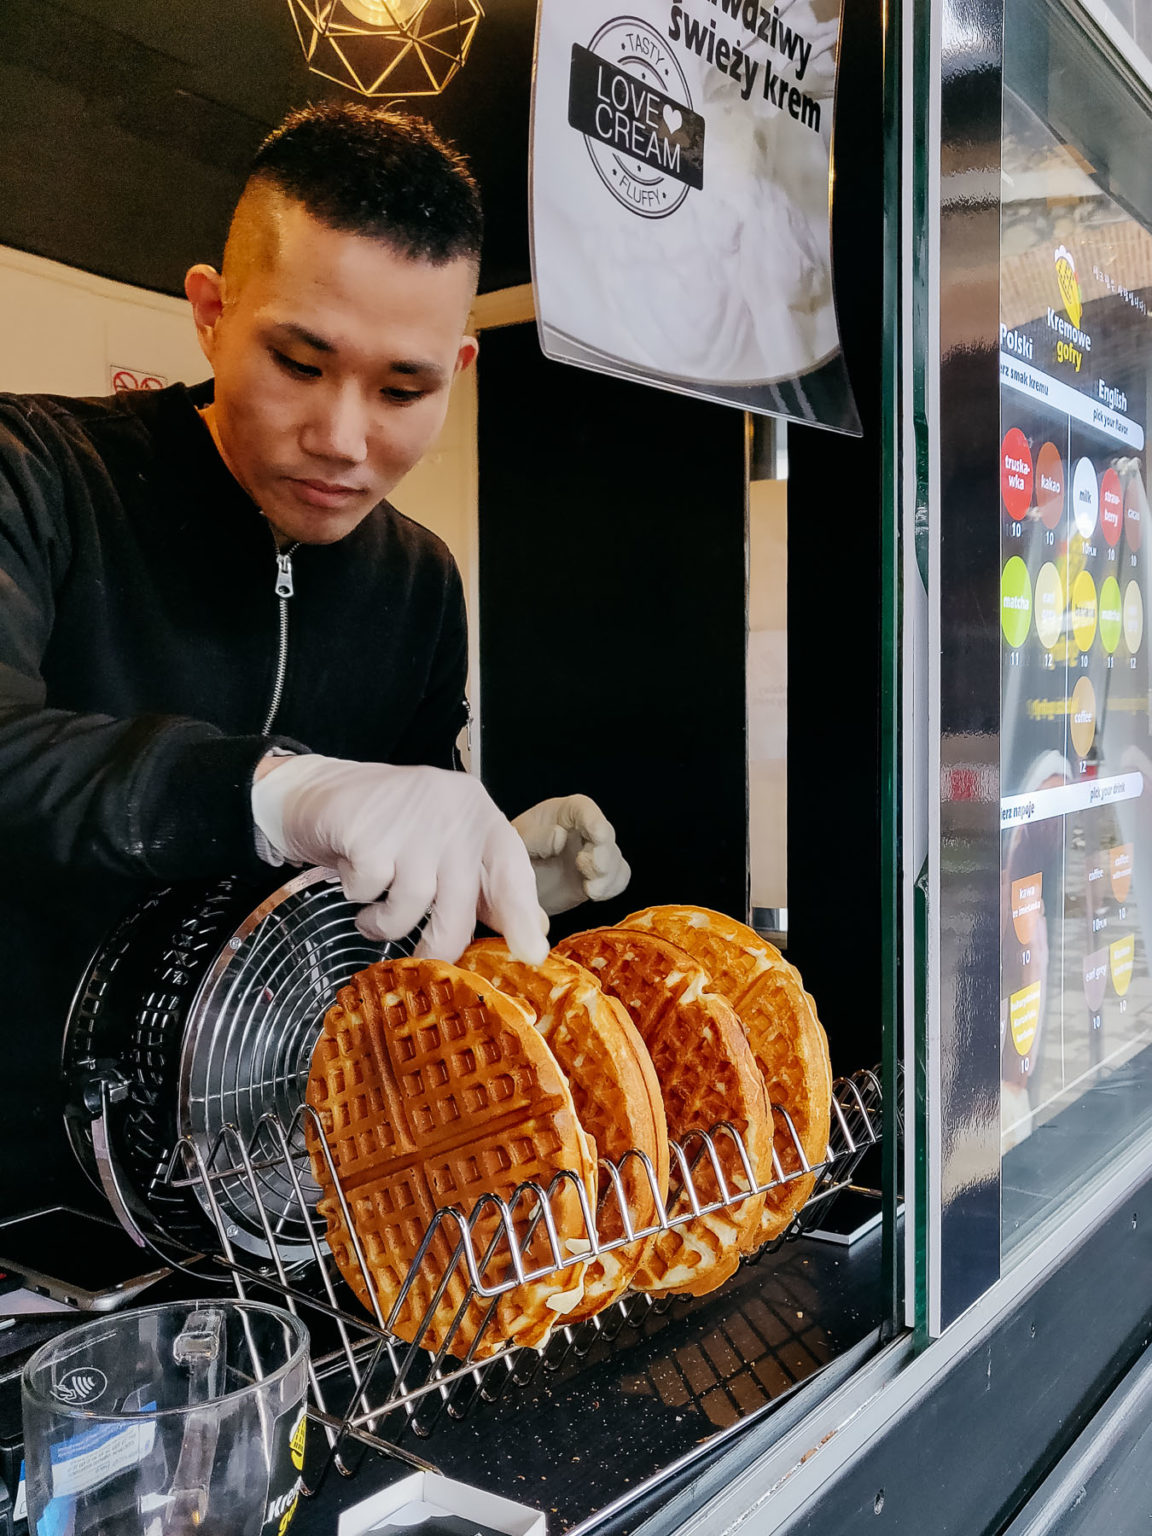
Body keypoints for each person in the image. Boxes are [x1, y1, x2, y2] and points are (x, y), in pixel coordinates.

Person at [0, 102, 629, 1208]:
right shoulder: (38, 475)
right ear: (210, 313)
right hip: (22, 1193)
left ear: (461, 369)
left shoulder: (419, 584)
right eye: (299, 362)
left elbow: (363, 940)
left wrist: (471, 888)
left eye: (403, 390)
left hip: (278, 1191)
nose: (345, 439)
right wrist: (279, 790)